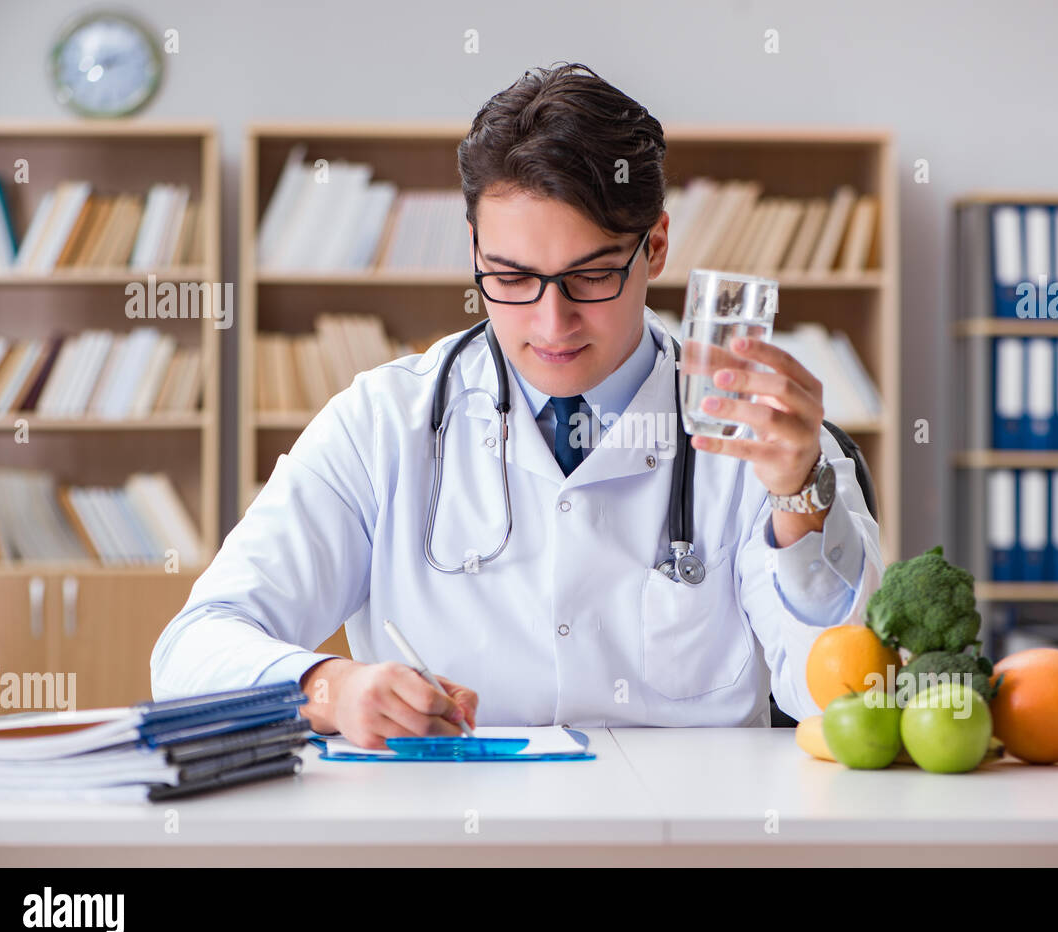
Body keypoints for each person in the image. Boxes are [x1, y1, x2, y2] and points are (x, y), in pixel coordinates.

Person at [151, 62, 883, 748]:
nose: (550, 323)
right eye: (511, 277)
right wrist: (328, 686)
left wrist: (800, 499)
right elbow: (192, 650)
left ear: (655, 246)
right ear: (473, 248)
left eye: (591, 276)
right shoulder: (380, 424)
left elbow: (851, 703)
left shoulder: (755, 430)